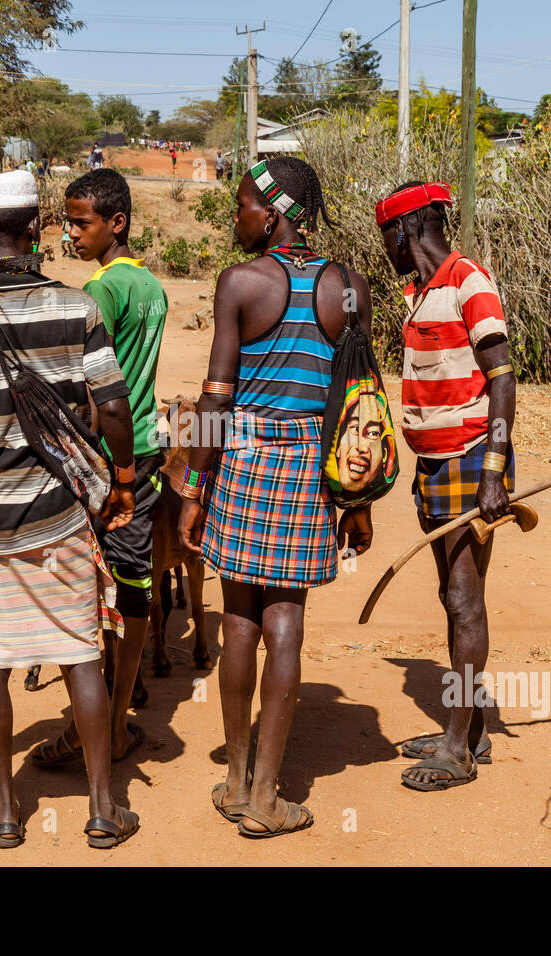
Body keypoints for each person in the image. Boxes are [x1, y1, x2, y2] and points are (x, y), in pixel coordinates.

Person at [0, 169, 141, 850]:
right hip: (62, 510)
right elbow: (114, 408)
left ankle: (6, 811)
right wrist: (121, 481)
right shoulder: (77, 309)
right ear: (36, 229)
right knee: (80, 658)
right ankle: (104, 810)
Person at [179, 157, 374, 838]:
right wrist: (359, 500)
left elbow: (215, 395)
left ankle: (236, 783)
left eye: (241, 206)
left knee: (239, 618)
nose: (235, 218)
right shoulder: (349, 287)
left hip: (242, 459)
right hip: (311, 466)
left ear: (274, 210)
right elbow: (360, 398)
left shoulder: (240, 283)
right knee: (286, 615)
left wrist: (195, 485)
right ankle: (267, 795)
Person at [374, 180, 517, 792]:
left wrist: (494, 468)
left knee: (464, 600)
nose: (384, 250)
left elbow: (504, 377)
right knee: (452, 596)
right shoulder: (420, 293)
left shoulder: (468, 283)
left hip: (468, 461)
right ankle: (471, 728)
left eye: (385, 237)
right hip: (435, 464)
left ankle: (458, 749)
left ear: (404, 230)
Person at [27, 168, 169, 767]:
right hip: (147, 451)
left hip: (109, 460)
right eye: (68, 220)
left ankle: (101, 728)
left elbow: (97, 389)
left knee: (83, 587)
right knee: (136, 583)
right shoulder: (154, 287)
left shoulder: (100, 293)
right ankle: (116, 714)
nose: (71, 233)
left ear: (118, 223)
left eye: (81, 222)